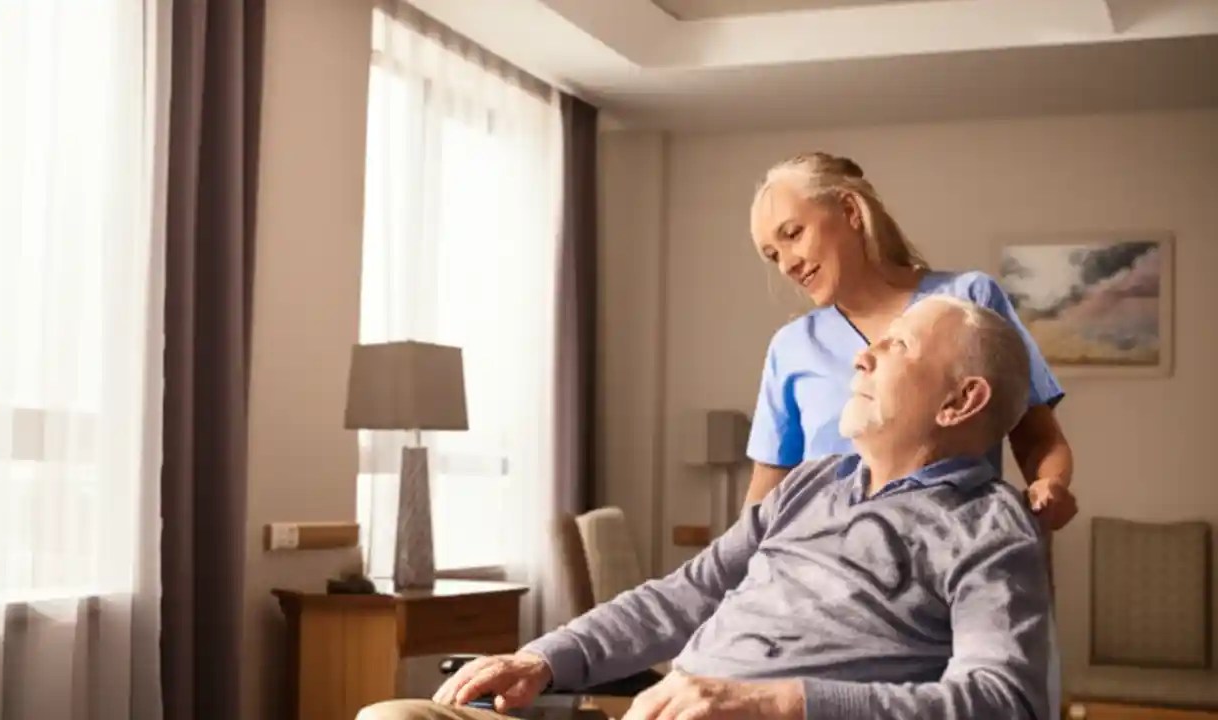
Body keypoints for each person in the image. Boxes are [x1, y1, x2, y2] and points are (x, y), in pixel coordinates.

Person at [359, 296, 1054, 720]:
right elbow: (683, 596)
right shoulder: (811, 484)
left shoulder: (988, 527)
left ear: (960, 400)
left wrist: (779, 705)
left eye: (896, 345)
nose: (863, 357)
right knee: (394, 718)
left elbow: (1003, 701)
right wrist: (542, 659)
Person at [744, 152, 1077, 530]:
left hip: (952, 547)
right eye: (773, 256)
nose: (787, 264)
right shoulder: (791, 347)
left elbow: (1037, 436)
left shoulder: (968, 300)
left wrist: (1048, 487)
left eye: (793, 234)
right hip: (825, 557)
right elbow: (765, 495)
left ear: (850, 210)